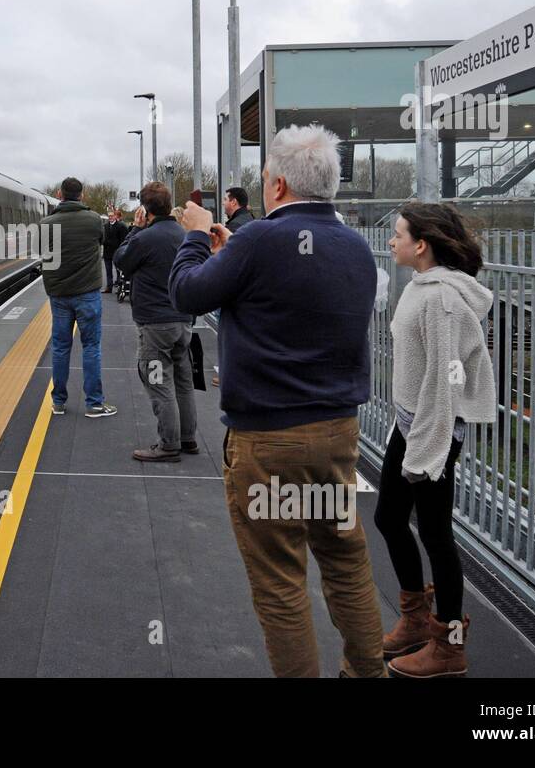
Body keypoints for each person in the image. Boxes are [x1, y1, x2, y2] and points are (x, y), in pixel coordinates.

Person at [169, 124, 383, 678]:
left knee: (280, 581)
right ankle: (368, 671)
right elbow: (292, 294)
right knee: (345, 562)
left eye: (265, 179)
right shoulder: (356, 249)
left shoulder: (259, 241)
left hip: (268, 441)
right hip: (337, 434)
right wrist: (230, 255)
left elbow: (187, 294)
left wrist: (194, 236)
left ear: (280, 185)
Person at [376, 203, 495, 678]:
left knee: (436, 534)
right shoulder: (419, 288)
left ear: (421, 244)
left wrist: (428, 450)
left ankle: (449, 645)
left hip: (433, 430)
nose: (391, 241)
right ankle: (415, 620)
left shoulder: (439, 299)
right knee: (388, 517)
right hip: (411, 424)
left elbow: (446, 383)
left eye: (398, 234)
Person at [113, 183, 198, 462]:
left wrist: (135, 229)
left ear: (145, 210)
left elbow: (121, 261)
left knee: (158, 382)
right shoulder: (184, 234)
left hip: (155, 326)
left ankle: (168, 445)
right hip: (184, 321)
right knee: (183, 383)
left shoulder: (145, 238)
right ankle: (188, 438)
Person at [41, 178, 117, 418]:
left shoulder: (47, 223)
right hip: (87, 295)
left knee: (61, 348)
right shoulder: (94, 220)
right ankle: (94, 404)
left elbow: (46, 257)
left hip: (60, 296)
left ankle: (58, 403)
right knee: (91, 347)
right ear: (82, 196)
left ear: (59, 194)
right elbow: (100, 242)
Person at [212, 187, 257, 387]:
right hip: (249, 290)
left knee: (229, 333)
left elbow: (229, 261)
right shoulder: (253, 222)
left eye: (225, 199)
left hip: (234, 291)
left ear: (234, 202)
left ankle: (228, 373)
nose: (223, 203)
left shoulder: (236, 227)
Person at [101, 208, 129, 293]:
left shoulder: (121, 226)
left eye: (112, 216)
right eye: (109, 216)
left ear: (115, 216)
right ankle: (109, 288)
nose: (110, 217)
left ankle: (120, 288)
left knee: (118, 272)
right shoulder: (105, 226)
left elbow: (123, 240)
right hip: (107, 252)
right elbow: (103, 238)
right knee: (108, 271)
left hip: (117, 252)